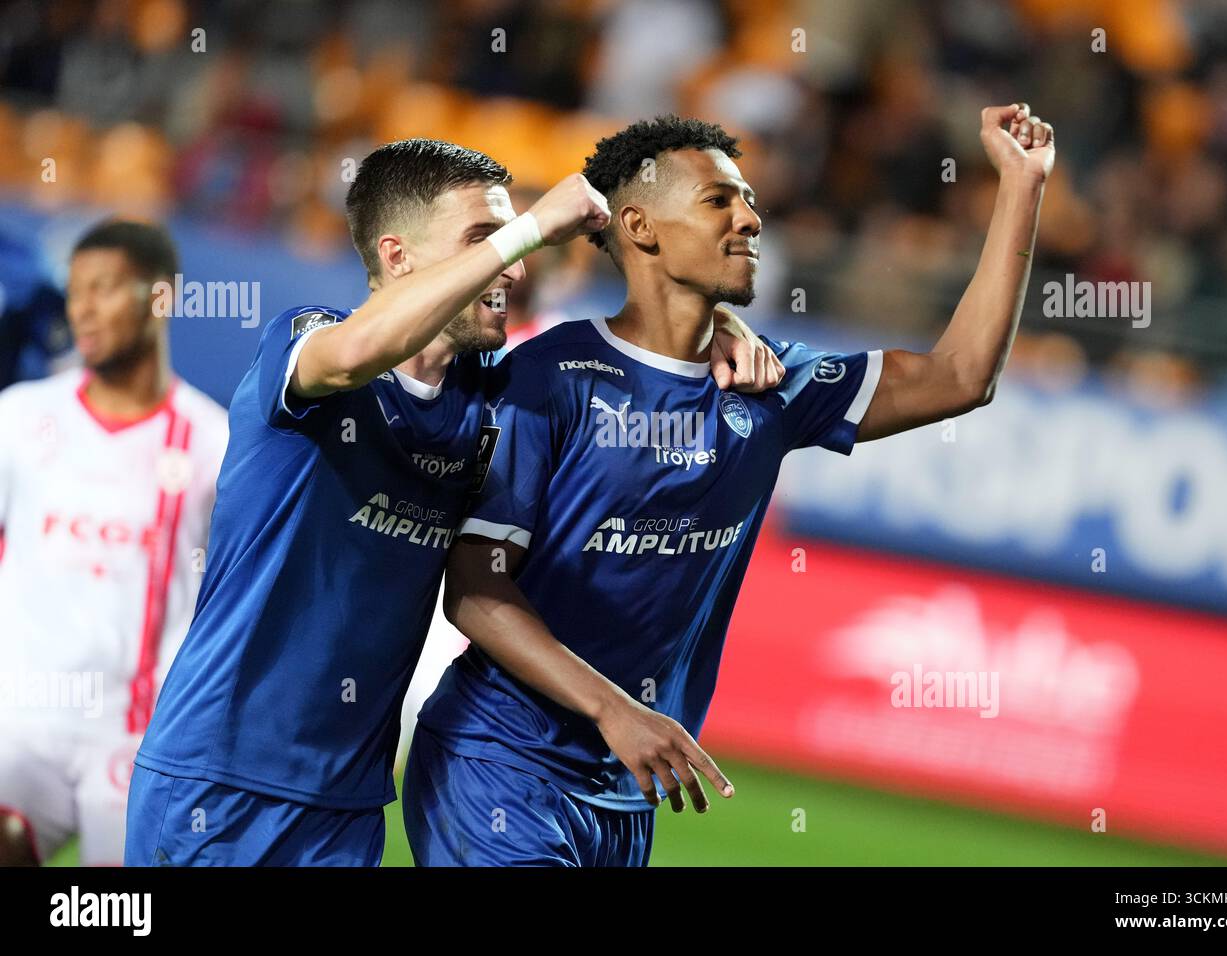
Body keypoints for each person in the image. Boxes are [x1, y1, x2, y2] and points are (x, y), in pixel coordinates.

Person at [406, 105, 1055, 866]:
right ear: (641, 227)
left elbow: (960, 376)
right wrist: (616, 710)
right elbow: (478, 590)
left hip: (624, 794)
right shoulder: (551, 378)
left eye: (749, 200)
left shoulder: (771, 382)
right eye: (719, 200)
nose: (750, 218)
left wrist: (1021, 185)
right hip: (498, 766)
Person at [126, 138, 778, 866]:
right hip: (219, 780)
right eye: (485, 239)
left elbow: (638, 330)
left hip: (349, 802)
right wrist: (528, 228)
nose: (514, 266)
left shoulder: (487, 395)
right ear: (398, 256)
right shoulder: (306, 347)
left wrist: (720, 322)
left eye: (510, 240)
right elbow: (351, 355)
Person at [0, 219, 229, 865]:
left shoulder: (214, 445)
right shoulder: (20, 417)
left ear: (160, 298)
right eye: (75, 291)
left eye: (104, 289)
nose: (83, 310)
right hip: (17, 724)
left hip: (138, 742)